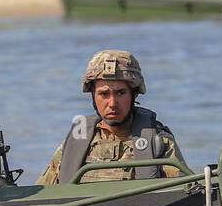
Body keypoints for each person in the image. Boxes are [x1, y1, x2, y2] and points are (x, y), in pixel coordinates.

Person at [36, 50, 187, 185]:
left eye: (121, 93)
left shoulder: (157, 141)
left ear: (134, 94)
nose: (113, 103)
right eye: (104, 94)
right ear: (93, 96)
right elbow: (42, 197)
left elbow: (185, 196)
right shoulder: (78, 140)